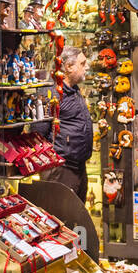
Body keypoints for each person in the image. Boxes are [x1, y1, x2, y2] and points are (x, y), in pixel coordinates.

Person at [45, 45, 92, 200]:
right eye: (83, 63)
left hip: (78, 168)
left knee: (77, 219)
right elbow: (41, 128)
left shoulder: (74, 89)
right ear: (69, 67)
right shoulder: (52, 93)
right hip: (62, 170)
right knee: (61, 216)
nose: (87, 67)